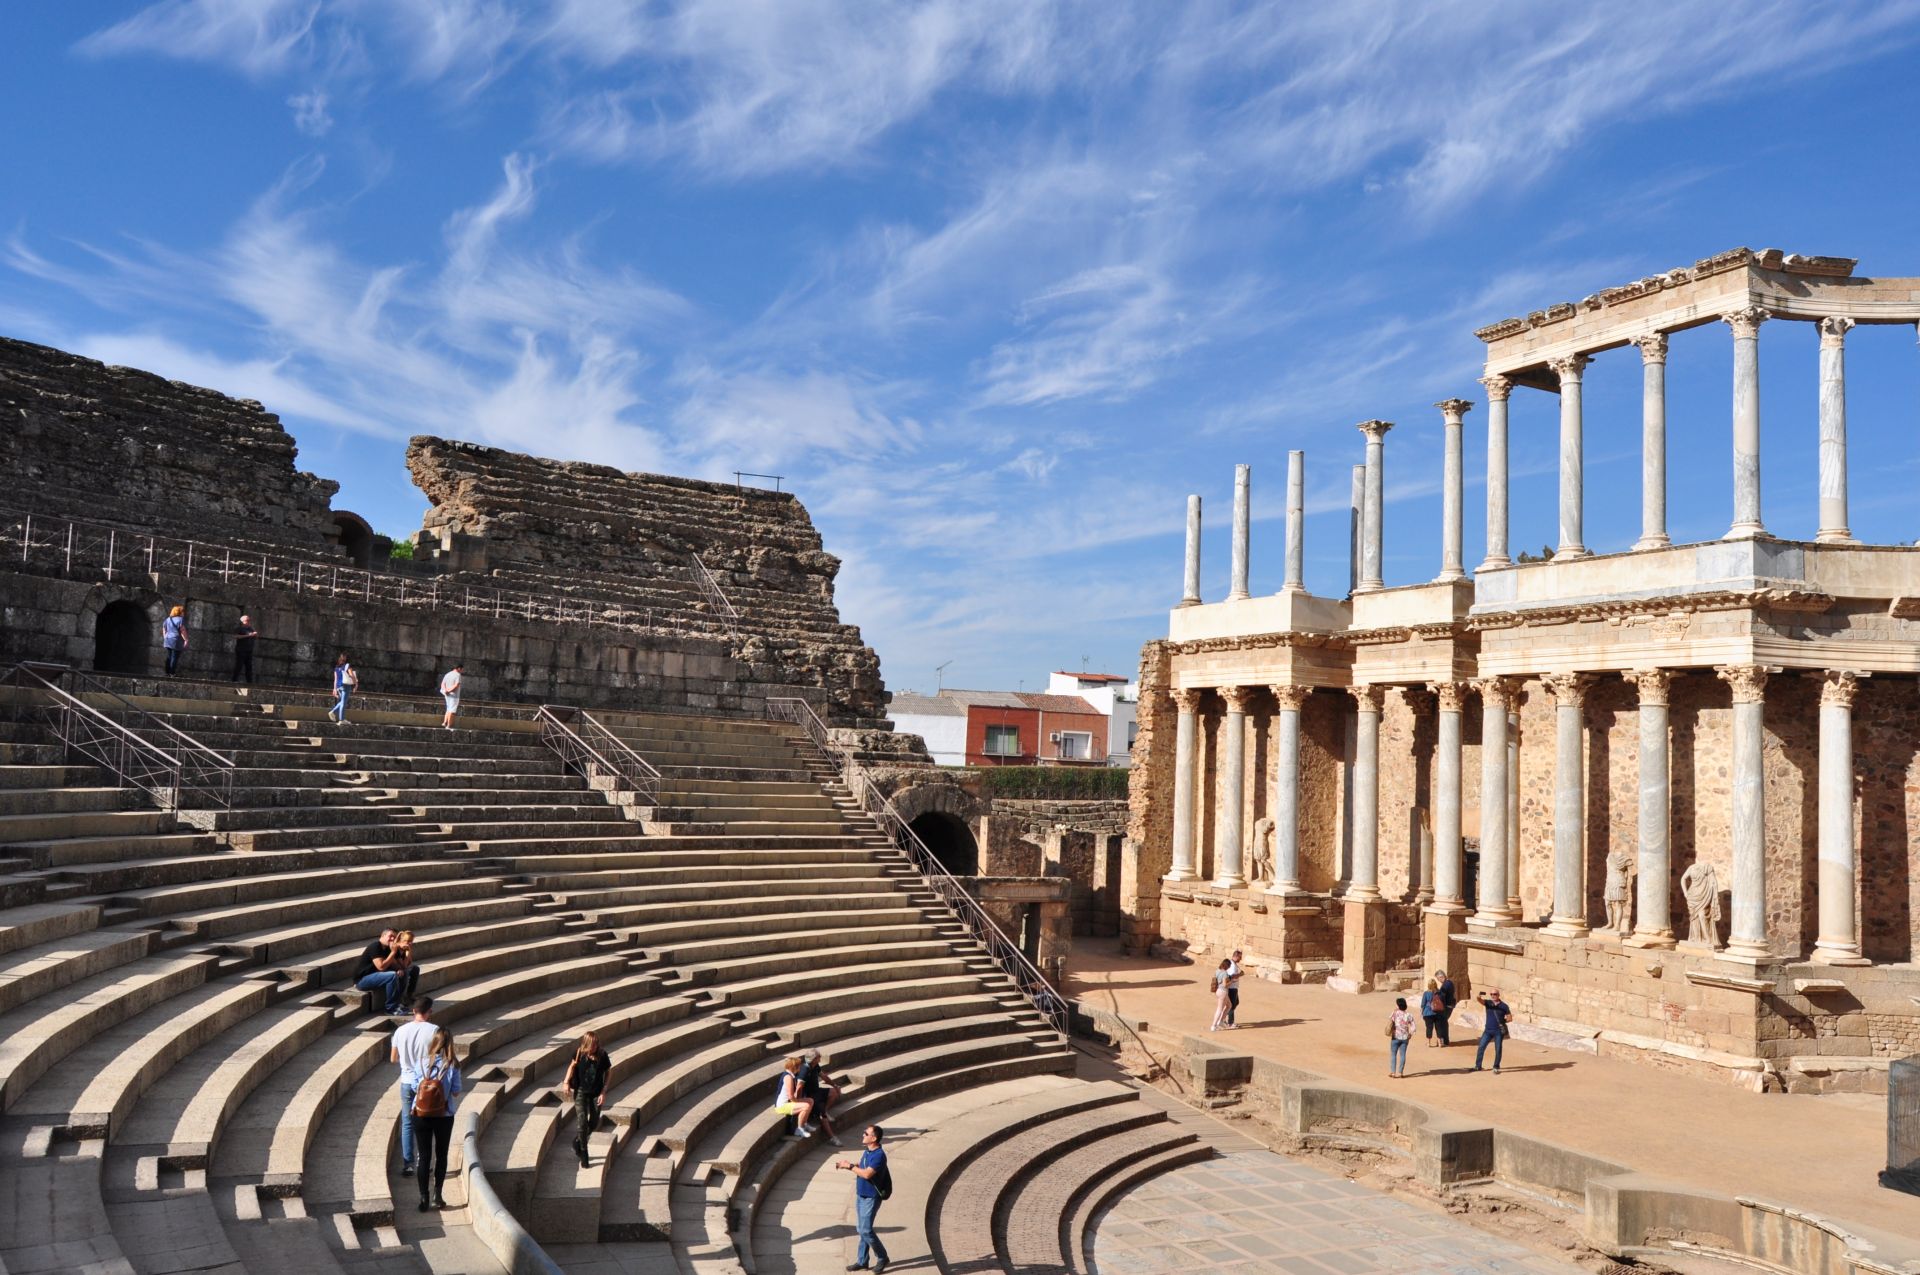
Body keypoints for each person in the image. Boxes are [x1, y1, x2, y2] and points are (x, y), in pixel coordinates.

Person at [409, 1026, 462, 1211]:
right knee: (441, 1155)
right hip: (443, 1115)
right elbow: (456, 1091)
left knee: (423, 1156)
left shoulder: (421, 1061)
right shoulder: (453, 1065)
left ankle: (423, 1197)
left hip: (420, 1113)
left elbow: (415, 1087)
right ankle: (437, 1196)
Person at [389, 997, 437, 1176]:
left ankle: (407, 1163)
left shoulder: (400, 1031)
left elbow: (393, 1058)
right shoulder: (434, 1030)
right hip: (426, 1083)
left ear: (414, 1011)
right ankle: (423, 1161)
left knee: (407, 1122)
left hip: (406, 1081)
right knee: (427, 1122)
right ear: (429, 1011)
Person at [833, 1124, 890, 1273]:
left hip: (871, 1197)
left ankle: (882, 1257)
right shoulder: (868, 1151)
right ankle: (862, 1261)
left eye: (866, 1133)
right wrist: (847, 1165)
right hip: (861, 1195)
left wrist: (850, 1167)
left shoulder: (879, 1155)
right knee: (862, 1229)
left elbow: (867, 1174)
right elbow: (863, 1164)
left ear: (874, 1138)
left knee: (865, 1230)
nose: (863, 1135)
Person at [564, 1031, 611, 1167]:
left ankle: (577, 1141)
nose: (594, 1047)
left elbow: (608, 1072)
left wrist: (604, 1091)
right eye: (592, 1045)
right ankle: (584, 1152)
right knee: (582, 1121)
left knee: (594, 1123)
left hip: (596, 1093)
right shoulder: (579, 1053)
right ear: (586, 1044)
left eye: (596, 1044)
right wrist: (566, 1082)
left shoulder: (602, 1055)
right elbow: (572, 1066)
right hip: (581, 1092)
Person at [354, 927, 419, 1015]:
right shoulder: (375, 946)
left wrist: (399, 969)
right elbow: (381, 967)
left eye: (394, 937)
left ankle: (401, 1000)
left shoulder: (388, 948)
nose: (392, 939)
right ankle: (391, 1008)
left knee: (404, 972)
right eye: (390, 936)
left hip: (377, 976)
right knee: (392, 975)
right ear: (383, 935)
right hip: (362, 980)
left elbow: (398, 966)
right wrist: (393, 952)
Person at [796, 1050, 843, 1146]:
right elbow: (799, 1086)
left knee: (834, 1092)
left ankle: (824, 1110)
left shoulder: (815, 1066)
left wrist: (834, 1085)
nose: (820, 1059)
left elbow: (824, 1076)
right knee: (822, 1116)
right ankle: (832, 1137)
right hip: (810, 1096)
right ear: (813, 1059)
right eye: (818, 1057)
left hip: (816, 1091)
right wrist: (799, 1100)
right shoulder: (804, 1070)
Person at [774, 1056, 817, 1139]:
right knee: (806, 1106)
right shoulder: (788, 1077)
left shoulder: (790, 1075)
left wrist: (800, 1101)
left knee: (810, 1100)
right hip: (782, 1106)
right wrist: (799, 1102)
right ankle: (799, 1129)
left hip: (787, 1102)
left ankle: (804, 1124)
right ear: (794, 1067)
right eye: (799, 1065)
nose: (800, 1067)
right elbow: (791, 1096)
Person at [1475, 988, 1513, 1073]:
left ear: (1498, 995)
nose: (1493, 996)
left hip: (1498, 1032)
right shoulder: (1488, 1003)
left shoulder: (1504, 1006)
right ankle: (1478, 1066)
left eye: (1495, 994)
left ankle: (1496, 1067)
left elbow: (1510, 1018)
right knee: (1481, 1047)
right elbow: (1479, 1000)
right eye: (1491, 994)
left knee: (1498, 1049)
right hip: (1487, 1031)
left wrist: (1502, 1021)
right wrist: (1478, 996)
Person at [1388, 996, 1415, 1078]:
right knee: (1403, 1055)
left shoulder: (1395, 1013)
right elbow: (1413, 1026)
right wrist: (1410, 1034)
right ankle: (1400, 1072)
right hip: (1405, 1037)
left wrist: (1395, 1010)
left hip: (1395, 1036)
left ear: (1398, 1005)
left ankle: (1393, 1072)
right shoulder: (1409, 1015)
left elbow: (1390, 1020)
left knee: (1393, 1054)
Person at [329, 653, 356, 724]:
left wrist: (334, 689)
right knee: (343, 702)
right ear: (346, 658)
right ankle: (341, 719)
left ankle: (334, 713)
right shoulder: (347, 666)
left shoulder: (336, 667)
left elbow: (335, 679)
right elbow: (351, 675)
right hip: (345, 685)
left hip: (339, 686)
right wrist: (355, 683)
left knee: (342, 701)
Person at [162, 605, 189, 676]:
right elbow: (182, 630)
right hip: (176, 640)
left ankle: (167, 672)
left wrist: (165, 637)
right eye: (182, 611)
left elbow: (164, 629)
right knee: (174, 657)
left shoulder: (168, 619)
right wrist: (186, 640)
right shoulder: (180, 619)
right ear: (179, 612)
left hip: (168, 639)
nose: (183, 613)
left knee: (169, 656)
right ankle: (172, 673)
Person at [232, 614, 258, 684]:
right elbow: (236, 636)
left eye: (249, 620)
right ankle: (234, 680)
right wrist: (247, 635)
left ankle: (249, 682)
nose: (249, 622)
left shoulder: (251, 629)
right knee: (239, 666)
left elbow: (254, 637)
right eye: (247, 620)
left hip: (249, 650)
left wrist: (255, 635)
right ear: (243, 621)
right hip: (241, 650)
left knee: (249, 667)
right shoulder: (239, 628)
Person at [1208, 958, 1232, 1032]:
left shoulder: (1217, 970)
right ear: (1227, 966)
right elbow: (1225, 985)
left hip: (1218, 991)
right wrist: (1231, 982)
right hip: (1223, 992)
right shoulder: (1225, 973)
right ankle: (1214, 1026)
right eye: (1229, 966)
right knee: (1219, 1009)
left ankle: (1221, 1021)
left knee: (1229, 1005)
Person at [1436, 968, 1458, 1046]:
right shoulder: (1449, 983)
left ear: (1442, 977)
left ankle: (1444, 1041)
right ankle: (1445, 1040)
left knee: (1442, 1023)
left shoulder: (1446, 985)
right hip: (1449, 1005)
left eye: (1438, 978)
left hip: (1446, 1006)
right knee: (1444, 1022)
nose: (1438, 980)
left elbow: (1442, 996)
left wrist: (1437, 993)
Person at [1420, 978, 1445, 1047]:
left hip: (1428, 1013)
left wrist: (1422, 1013)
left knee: (1429, 1028)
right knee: (1439, 1028)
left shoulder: (1426, 993)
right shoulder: (1440, 993)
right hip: (1438, 1012)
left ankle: (1429, 1043)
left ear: (1428, 985)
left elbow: (1423, 1004)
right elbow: (1443, 1002)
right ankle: (1440, 1043)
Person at [439, 662, 463, 729]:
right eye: (462, 669)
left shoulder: (447, 674)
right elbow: (456, 685)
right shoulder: (458, 675)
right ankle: (449, 725)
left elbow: (442, 684)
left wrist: (446, 690)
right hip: (454, 696)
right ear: (459, 668)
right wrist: (449, 691)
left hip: (447, 695)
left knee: (448, 709)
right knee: (452, 711)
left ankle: (445, 722)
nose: (462, 671)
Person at [1224, 949, 1244, 1028]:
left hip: (1233, 987)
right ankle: (1230, 1022)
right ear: (1236, 956)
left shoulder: (1232, 963)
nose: (1240, 959)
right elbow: (1232, 976)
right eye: (1240, 957)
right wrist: (1240, 974)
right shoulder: (1232, 966)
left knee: (1235, 1003)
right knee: (1232, 1005)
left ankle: (1223, 1018)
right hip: (1232, 988)